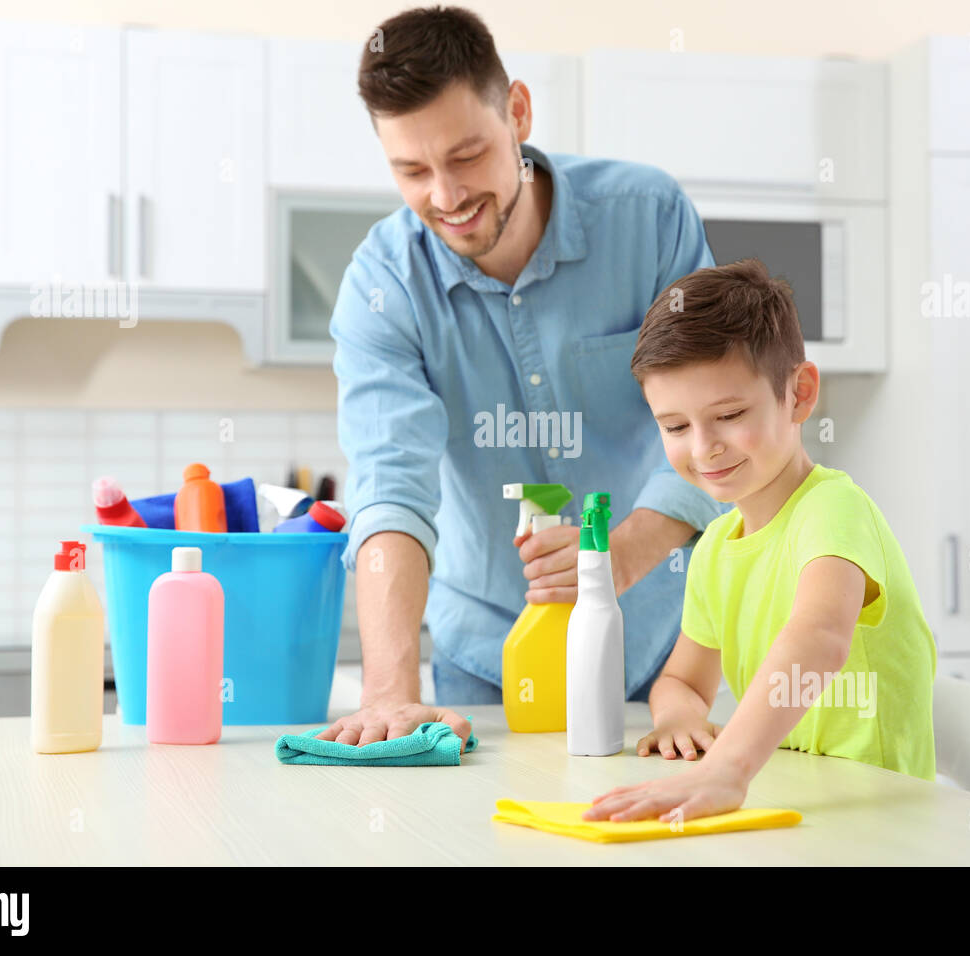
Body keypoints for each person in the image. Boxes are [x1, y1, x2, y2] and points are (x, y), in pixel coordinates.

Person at [317, 6, 722, 750]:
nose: (446, 196)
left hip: (661, 649)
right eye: (411, 170)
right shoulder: (383, 285)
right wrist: (388, 694)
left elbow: (715, 422)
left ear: (518, 113)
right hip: (488, 661)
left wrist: (620, 554)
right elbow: (391, 485)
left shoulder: (649, 220)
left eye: (467, 155)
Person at [584, 259, 937, 822]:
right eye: (675, 427)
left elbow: (819, 636)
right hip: (791, 804)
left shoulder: (833, 510)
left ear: (798, 395)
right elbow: (680, 680)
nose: (703, 449)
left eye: (728, 414)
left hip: (875, 817)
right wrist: (679, 718)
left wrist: (727, 768)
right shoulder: (717, 545)